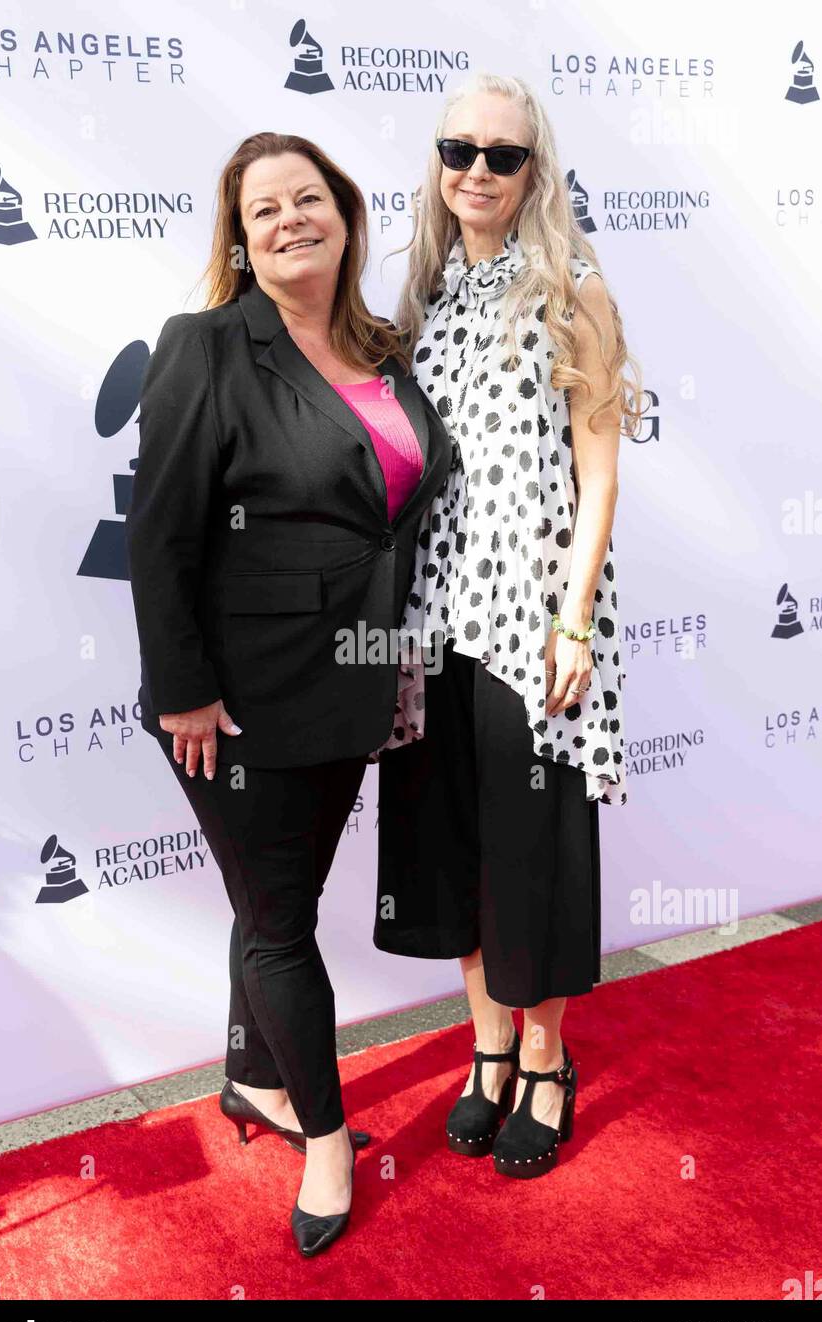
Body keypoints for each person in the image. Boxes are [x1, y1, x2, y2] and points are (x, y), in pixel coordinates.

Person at [125, 131, 452, 1254]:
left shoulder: (382, 347)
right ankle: (321, 1134)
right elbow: (159, 532)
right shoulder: (206, 346)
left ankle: (250, 1078)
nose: (288, 220)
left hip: (352, 686)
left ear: (346, 215)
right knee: (276, 924)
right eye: (262, 211)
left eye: (307, 198)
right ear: (240, 238)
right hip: (238, 702)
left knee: (281, 905)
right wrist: (182, 695)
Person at [373, 73, 643, 1179]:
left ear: (536, 173)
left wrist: (572, 623)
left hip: (529, 621)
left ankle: (543, 1058)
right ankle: (484, 1046)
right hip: (434, 623)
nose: (475, 170)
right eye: (458, 149)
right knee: (453, 850)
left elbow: (599, 469)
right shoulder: (423, 296)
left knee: (531, 854)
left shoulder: (570, 287)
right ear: (437, 162)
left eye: (502, 155)